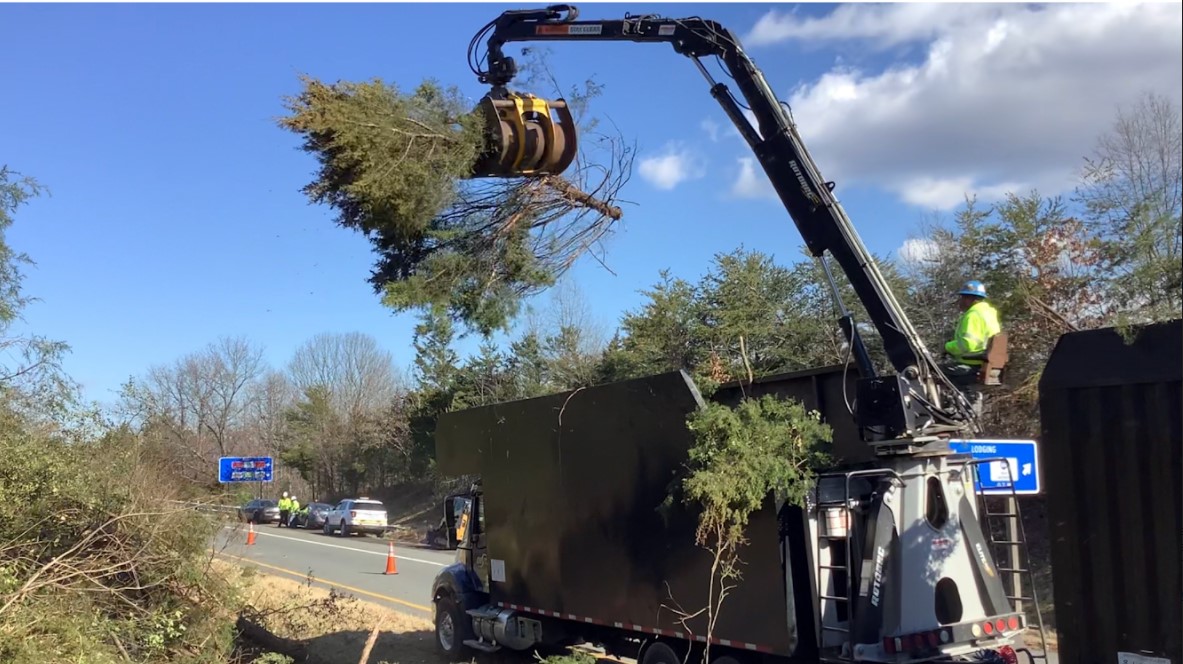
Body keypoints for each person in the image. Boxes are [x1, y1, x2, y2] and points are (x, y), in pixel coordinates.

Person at [941, 280, 1002, 398]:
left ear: (969, 299)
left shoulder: (973, 315)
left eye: (962, 298)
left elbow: (967, 344)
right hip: (984, 364)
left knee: (932, 372)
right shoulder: (988, 313)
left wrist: (947, 347)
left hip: (971, 365)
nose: (960, 301)